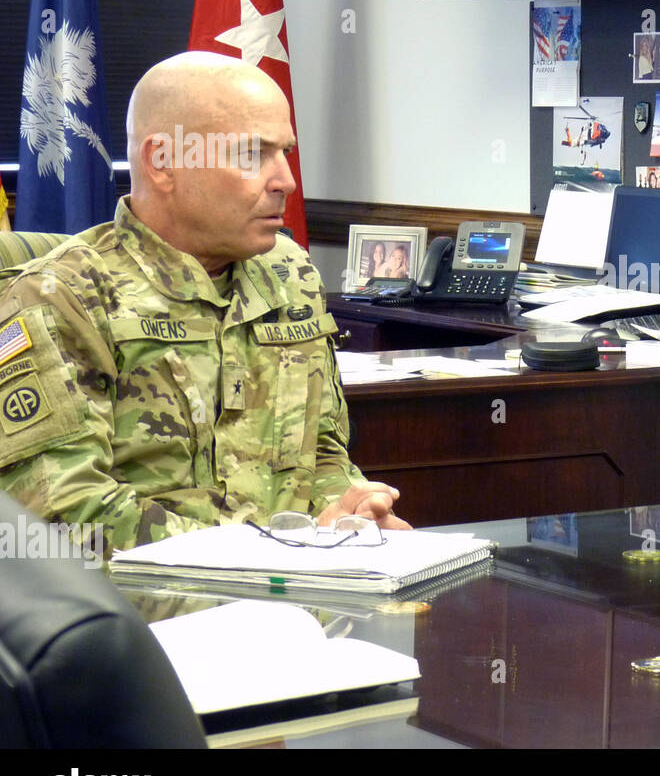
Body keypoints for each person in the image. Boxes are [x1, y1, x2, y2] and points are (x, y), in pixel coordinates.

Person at [0, 51, 409, 551]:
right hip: (151, 614)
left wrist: (346, 514)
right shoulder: (61, 298)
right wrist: (270, 555)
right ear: (163, 162)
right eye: (253, 154)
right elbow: (64, 521)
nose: (285, 181)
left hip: (296, 589)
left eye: (285, 153)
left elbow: (320, 451)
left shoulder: (288, 272)